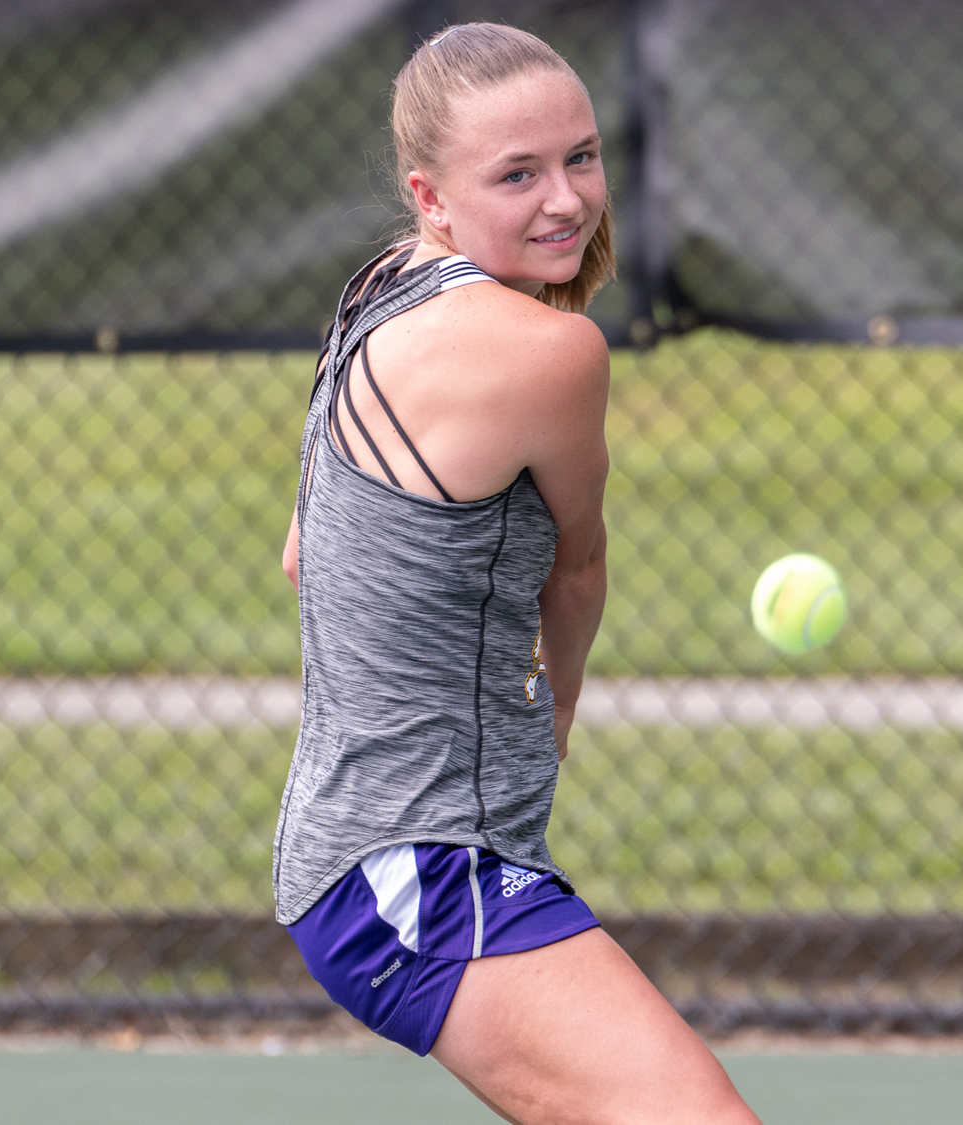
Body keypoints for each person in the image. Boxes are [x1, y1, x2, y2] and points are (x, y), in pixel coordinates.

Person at [274, 22, 761, 1125]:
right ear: (430, 195)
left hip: (368, 851)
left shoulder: (375, 286)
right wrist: (553, 719)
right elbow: (577, 571)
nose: (565, 200)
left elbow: (301, 552)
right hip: (419, 870)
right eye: (517, 175)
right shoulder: (551, 352)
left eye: (580, 158)